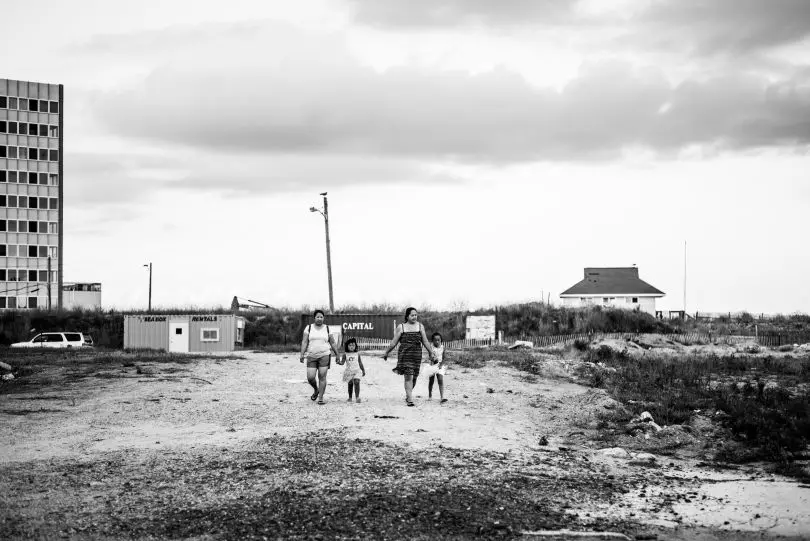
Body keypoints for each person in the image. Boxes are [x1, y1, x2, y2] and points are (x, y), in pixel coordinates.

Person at [382, 307, 436, 407]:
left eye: (415, 315)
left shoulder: (420, 326)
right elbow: (394, 342)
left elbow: (425, 341)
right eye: (412, 315)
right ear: (407, 316)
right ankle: (410, 399)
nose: (414, 317)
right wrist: (386, 352)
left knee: (414, 377)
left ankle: (408, 394)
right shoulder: (401, 327)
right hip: (405, 355)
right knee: (408, 377)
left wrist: (431, 352)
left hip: (416, 356)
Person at [300, 309, 340, 405]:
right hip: (311, 355)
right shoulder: (308, 328)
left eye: (321, 317)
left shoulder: (327, 328)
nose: (319, 318)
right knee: (310, 377)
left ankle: (320, 398)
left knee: (322, 376)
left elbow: (333, 342)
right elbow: (304, 342)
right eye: (317, 317)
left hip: (324, 355)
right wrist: (302, 354)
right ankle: (316, 389)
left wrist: (337, 354)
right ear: (314, 318)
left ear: (323, 318)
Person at [422, 332, 448, 403]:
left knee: (440, 379)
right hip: (432, 365)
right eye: (435, 340)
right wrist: (433, 360)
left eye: (438, 340)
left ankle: (442, 397)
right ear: (432, 341)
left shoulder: (443, 347)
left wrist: (441, 364)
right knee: (431, 381)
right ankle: (430, 395)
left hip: (440, 365)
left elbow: (445, 358)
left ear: (441, 340)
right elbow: (430, 356)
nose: (437, 341)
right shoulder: (431, 347)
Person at [341, 338, 366, 403]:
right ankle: (350, 397)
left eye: (353, 345)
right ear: (347, 346)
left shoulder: (357, 354)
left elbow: (360, 363)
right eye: (350, 345)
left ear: (355, 346)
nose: (352, 347)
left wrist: (363, 370)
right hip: (349, 371)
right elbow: (342, 362)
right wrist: (338, 362)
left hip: (357, 371)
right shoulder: (345, 354)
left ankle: (357, 397)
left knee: (357, 382)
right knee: (350, 384)